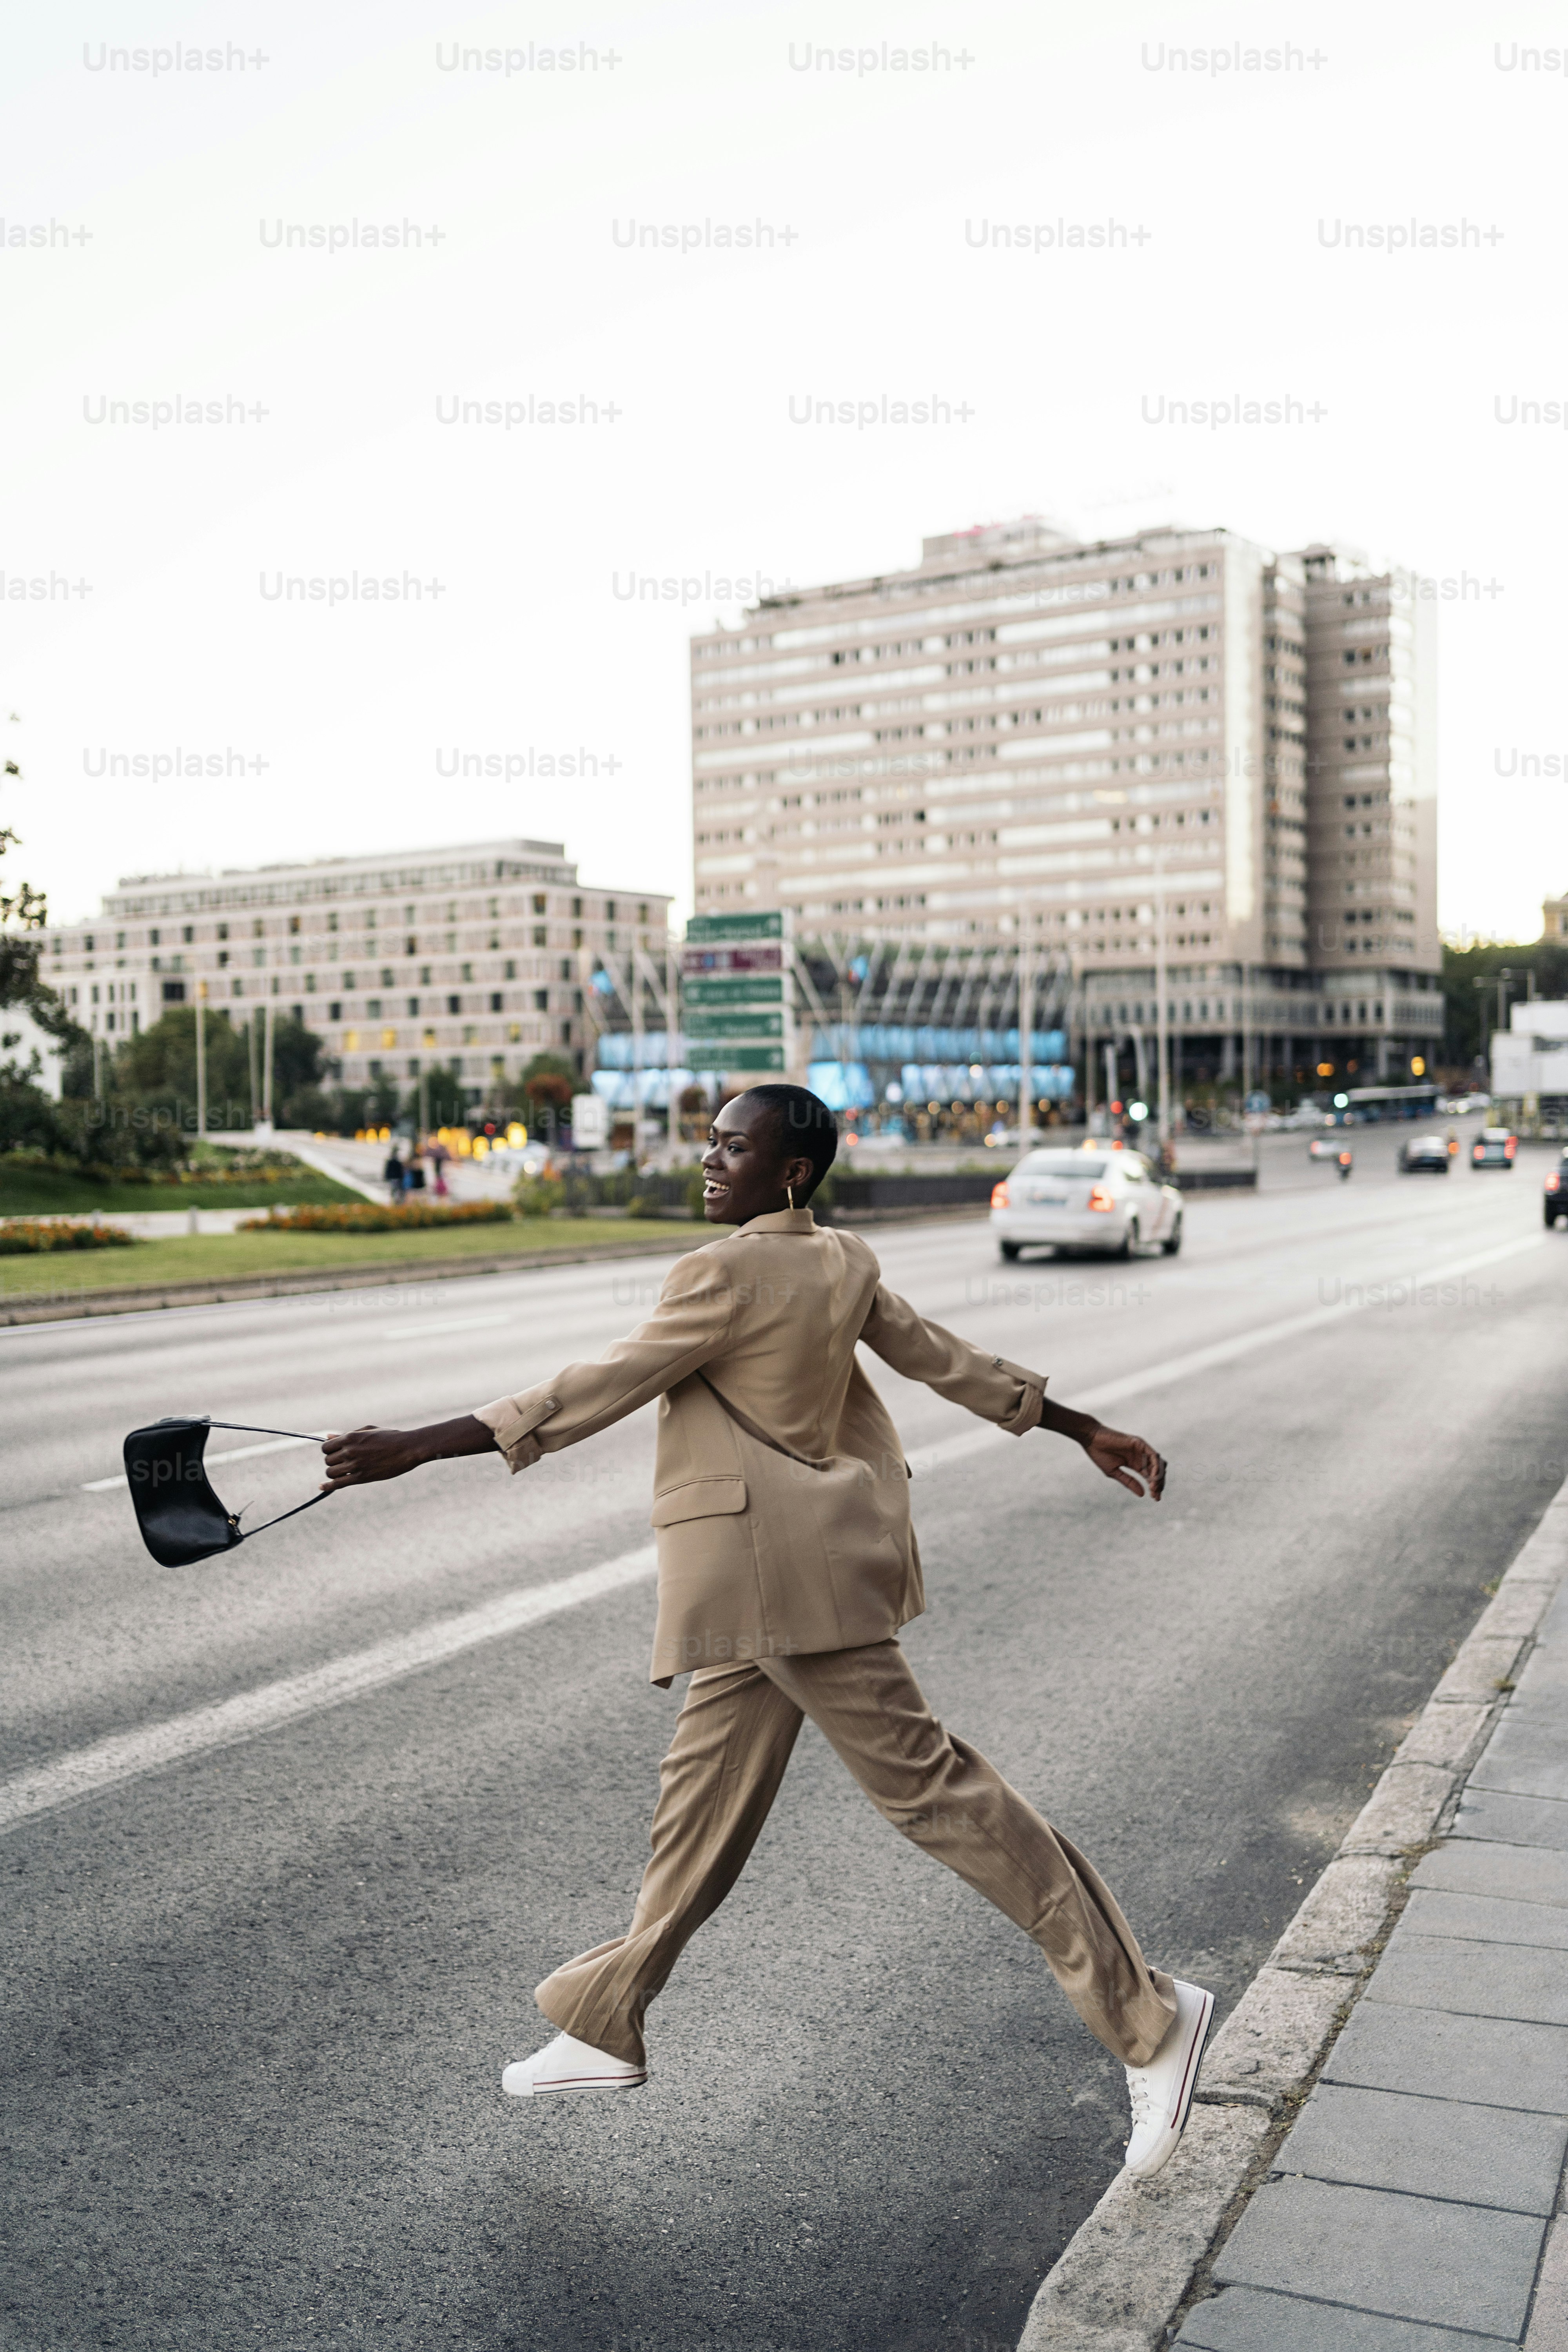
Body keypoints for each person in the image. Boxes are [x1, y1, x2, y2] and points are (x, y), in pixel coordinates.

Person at [321, 1084, 1212, 2177]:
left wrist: (421, 1444)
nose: (710, 1162)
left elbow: (597, 1384)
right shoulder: (841, 1260)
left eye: (733, 1149)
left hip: (782, 1577)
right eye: (710, 1143)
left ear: (789, 1171)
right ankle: (605, 2022)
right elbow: (948, 1359)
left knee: (937, 1792)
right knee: (697, 1806)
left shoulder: (726, 1270)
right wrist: (1079, 1426)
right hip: (771, 1587)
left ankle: (1149, 2022)